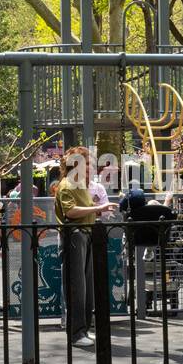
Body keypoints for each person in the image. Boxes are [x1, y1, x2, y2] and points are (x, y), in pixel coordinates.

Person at [54, 145, 116, 348]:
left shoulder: (80, 184)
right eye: (86, 163)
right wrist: (98, 208)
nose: (90, 167)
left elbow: (84, 210)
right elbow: (70, 212)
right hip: (75, 236)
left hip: (86, 235)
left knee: (86, 287)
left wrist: (97, 210)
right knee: (77, 287)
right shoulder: (67, 184)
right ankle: (76, 333)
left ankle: (83, 330)